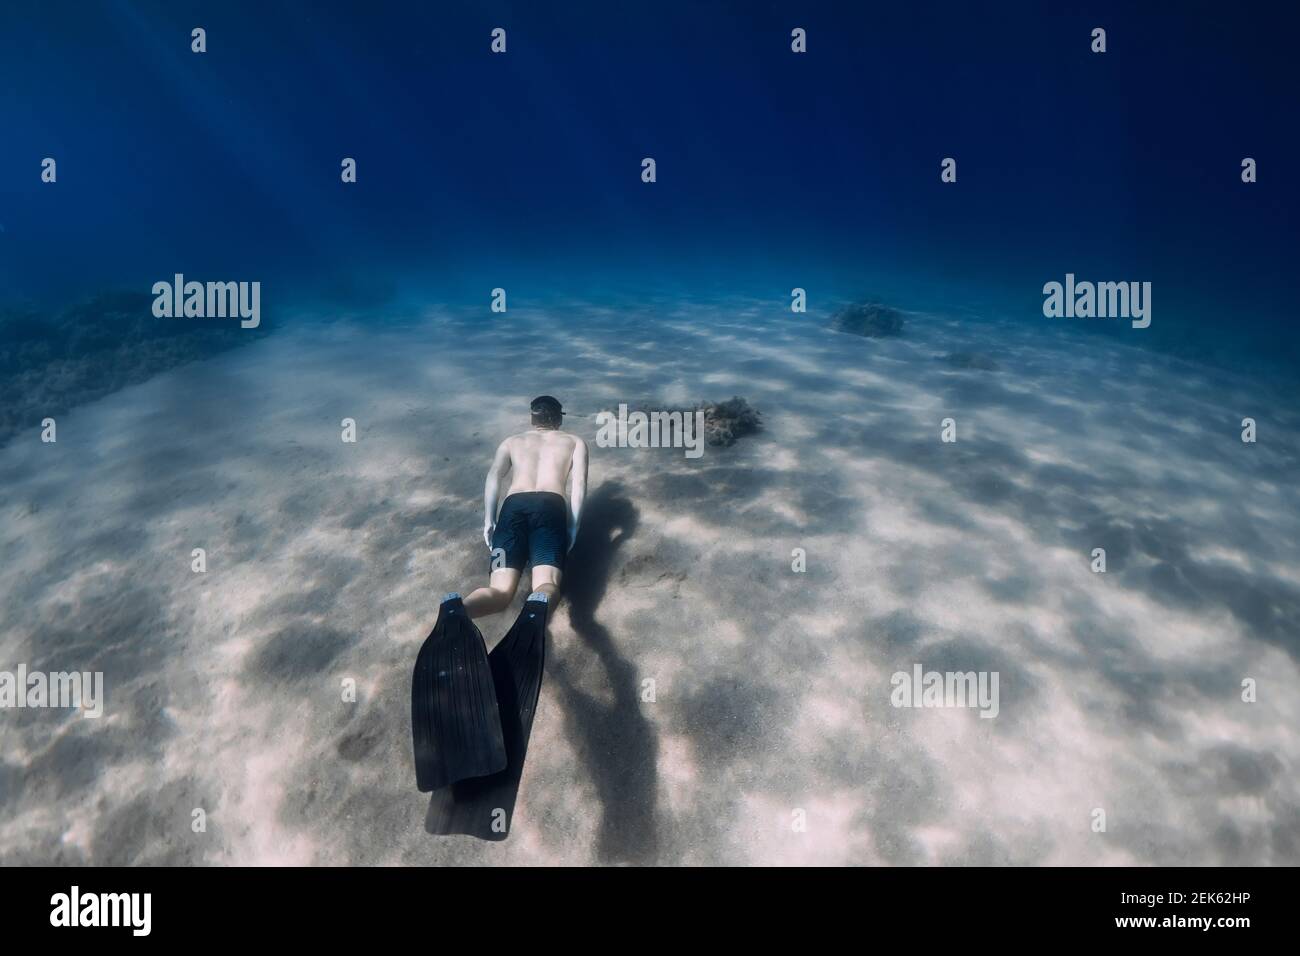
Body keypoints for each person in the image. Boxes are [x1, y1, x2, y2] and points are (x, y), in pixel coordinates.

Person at [463, 395, 588, 617]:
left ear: (532, 418)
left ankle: (458, 612)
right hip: (550, 508)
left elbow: (494, 477)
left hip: (512, 510)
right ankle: (535, 615)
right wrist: (574, 526)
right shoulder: (575, 442)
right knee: (547, 585)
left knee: (499, 590)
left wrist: (489, 520)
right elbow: (578, 484)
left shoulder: (511, 441)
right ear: (559, 418)